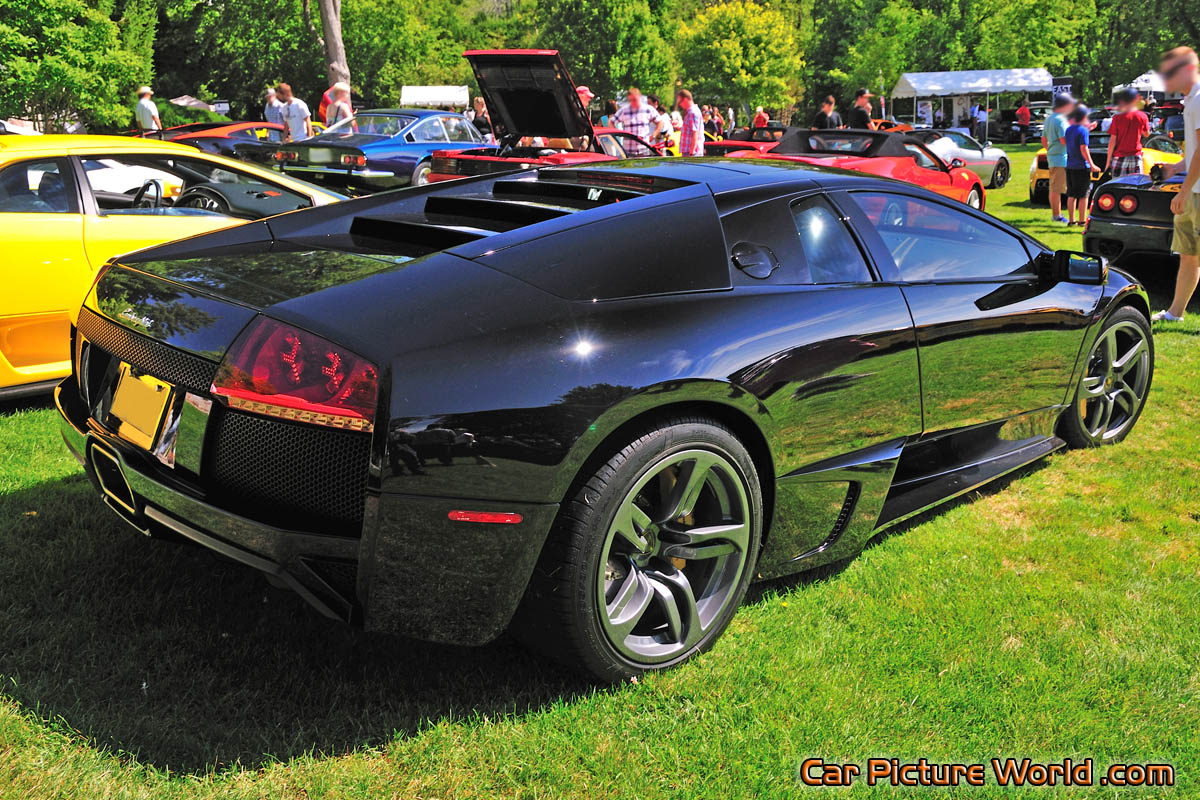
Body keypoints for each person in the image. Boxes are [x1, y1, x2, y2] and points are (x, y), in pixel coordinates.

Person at [1154, 46, 1200, 322]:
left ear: (1187, 69)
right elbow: (1194, 153)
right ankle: (1175, 314)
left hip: (1196, 193)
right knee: (1188, 254)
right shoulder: (1190, 101)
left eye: (1169, 72)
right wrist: (1175, 167)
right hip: (1194, 190)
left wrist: (1183, 191)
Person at [1063, 107, 1099, 226]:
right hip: (1081, 166)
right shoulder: (1083, 130)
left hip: (1070, 165)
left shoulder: (1068, 130)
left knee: (1071, 194)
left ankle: (1072, 220)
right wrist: (1092, 164)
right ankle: (1082, 221)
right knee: (1084, 195)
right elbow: (1083, 148)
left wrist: (1088, 129)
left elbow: (1074, 139)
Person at [1042, 93, 1075, 223]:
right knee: (1056, 189)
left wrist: (1050, 151)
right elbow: (1063, 139)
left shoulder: (1049, 118)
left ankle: (1057, 214)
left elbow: (1043, 139)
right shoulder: (1061, 120)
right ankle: (1057, 216)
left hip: (1053, 157)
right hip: (1061, 159)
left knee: (1055, 187)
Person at [1107, 87, 1150, 179]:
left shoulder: (1117, 117)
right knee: (1135, 186)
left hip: (1119, 157)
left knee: (1117, 186)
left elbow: (1112, 141)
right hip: (1135, 157)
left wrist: (1108, 162)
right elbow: (1146, 134)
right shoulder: (1142, 116)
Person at [611, 87, 661, 155]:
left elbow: (660, 122)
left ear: (639, 97)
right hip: (628, 151)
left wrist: (654, 135)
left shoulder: (648, 109)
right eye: (630, 100)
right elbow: (611, 121)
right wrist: (616, 134)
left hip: (644, 150)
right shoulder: (624, 110)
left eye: (634, 99)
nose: (632, 102)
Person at [676, 89, 704, 157]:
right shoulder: (691, 112)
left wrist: (692, 152)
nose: (680, 105)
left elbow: (695, 133)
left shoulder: (692, 112)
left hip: (691, 152)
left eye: (680, 102)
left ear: (685, 99)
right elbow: (691, 130)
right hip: (689, 151)